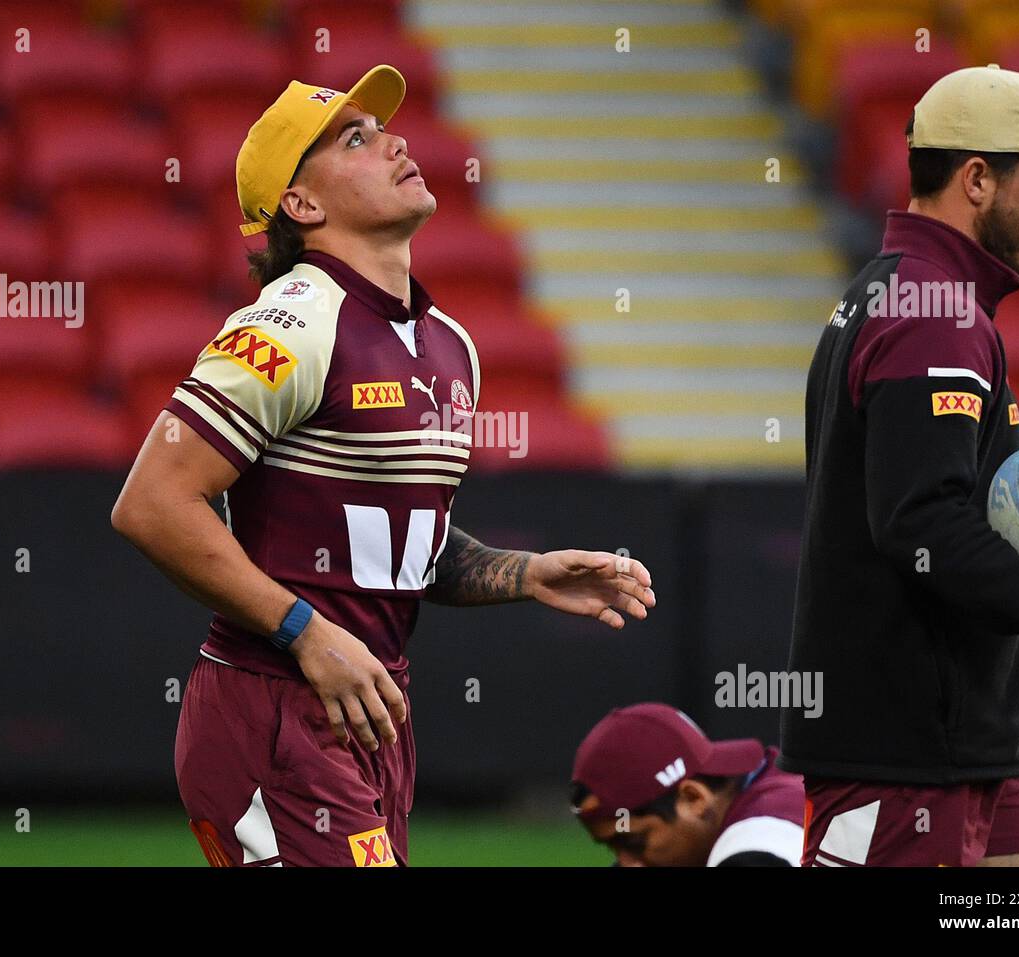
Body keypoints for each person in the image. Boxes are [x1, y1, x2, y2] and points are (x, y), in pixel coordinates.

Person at [110, 64, 656, 867]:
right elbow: (152, 504)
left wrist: (524, 572)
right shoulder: (289, 322)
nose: (395, 142)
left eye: (382, 129)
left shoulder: (450, 343)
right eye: (355, 140)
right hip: (273, 711)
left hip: (365, 709)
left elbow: (395, 544)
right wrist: (305, 631)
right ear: (301, 205)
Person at [780, 64, 1019, 867]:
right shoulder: (934, 314)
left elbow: (921, 515)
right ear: (977, 178)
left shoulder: (899, 294)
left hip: (966, 753)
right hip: (903, 763)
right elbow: (920, 520)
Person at [571, 703, 804, 866]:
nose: (628, 864)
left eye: (634, 842)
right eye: (614, 848)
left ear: (694, 798)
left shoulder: (758, 848)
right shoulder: (773, 780)